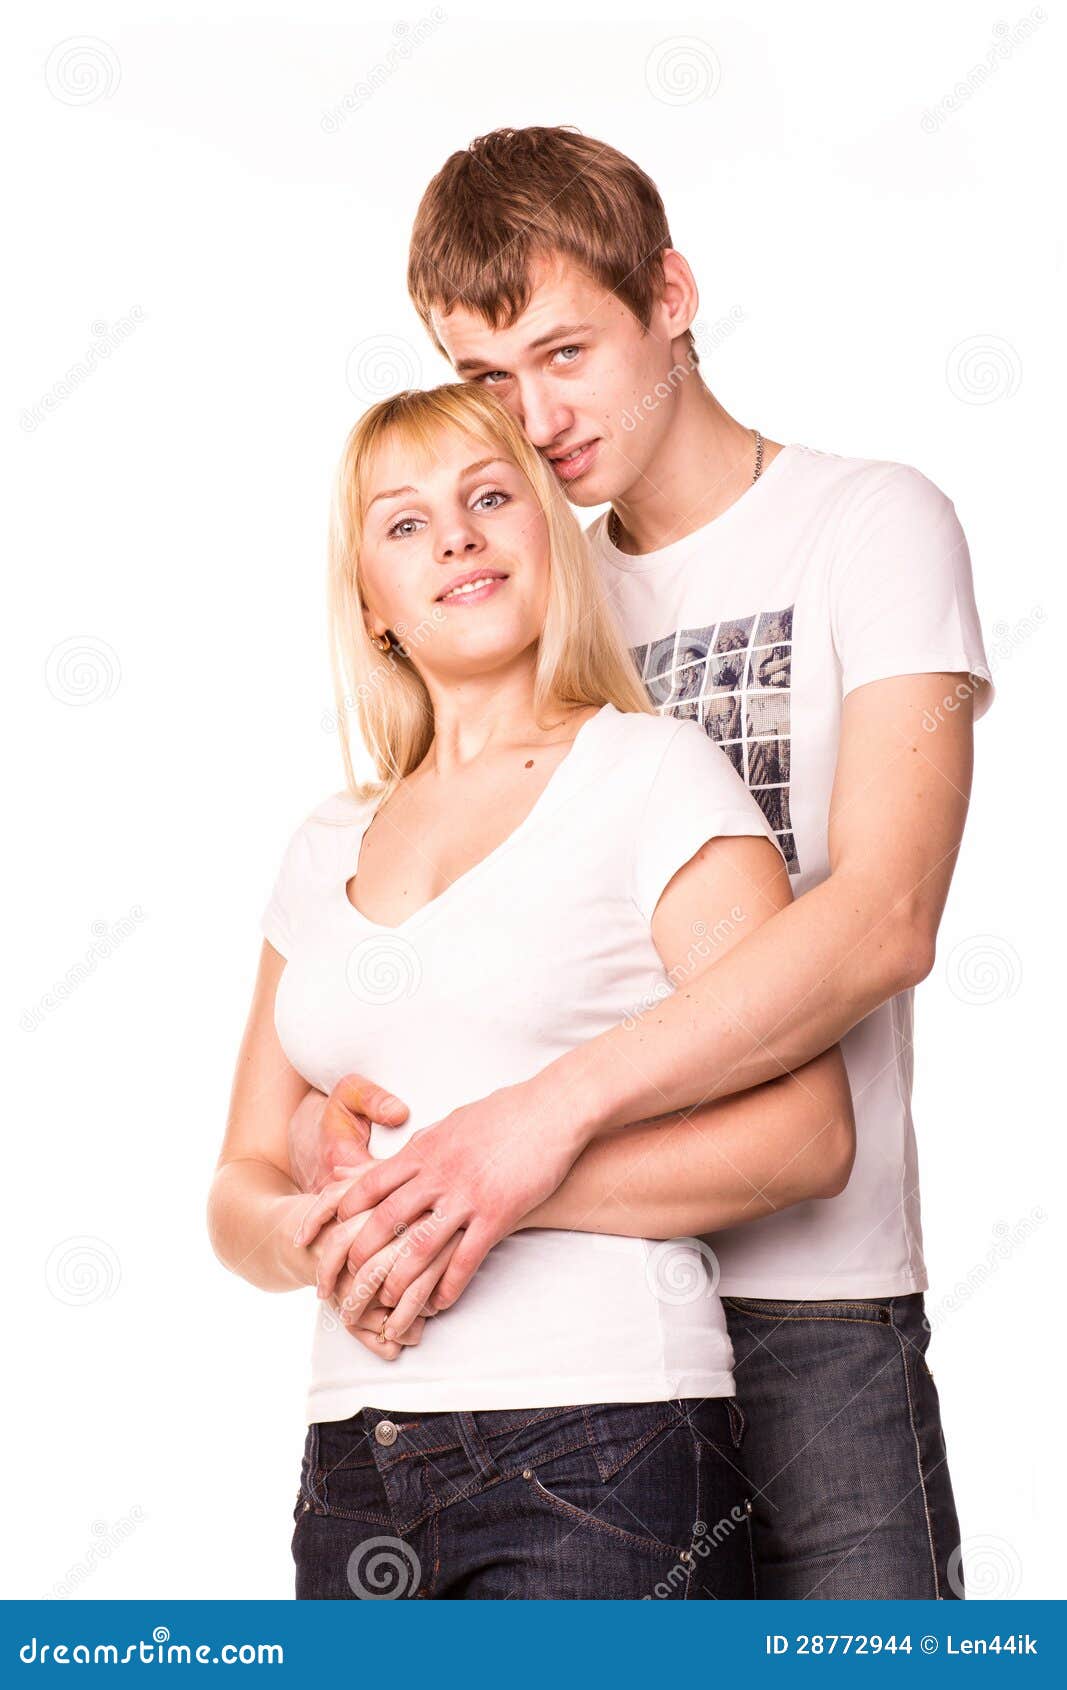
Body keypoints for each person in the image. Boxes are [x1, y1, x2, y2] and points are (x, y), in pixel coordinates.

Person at [288, 128, 995, 1599]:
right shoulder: (522, 582)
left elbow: (879, 917)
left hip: (812, 1293)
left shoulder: (866, 524)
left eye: (564, 350)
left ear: (669, 293)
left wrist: (520, 1134)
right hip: (564, 1334)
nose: (531, 420)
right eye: (484, 379)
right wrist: (368, 1149)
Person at [208, 383, 855, 1600]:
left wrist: (488, 1190)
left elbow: (808, 1136)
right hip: (356, 1457)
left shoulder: (654, 777)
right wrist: (316, 1232)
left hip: (606, 1438)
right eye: (404, 523)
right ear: (370, 602)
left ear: (546, 538)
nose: (454, 535)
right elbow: (238, 1186)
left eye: (489, 498)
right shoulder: (322, 845)